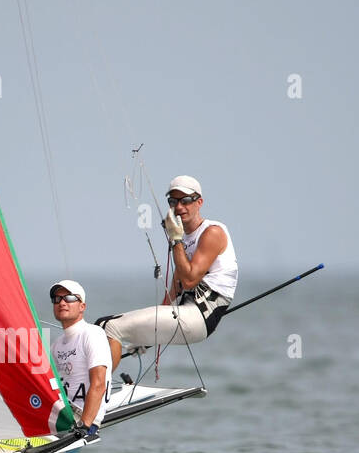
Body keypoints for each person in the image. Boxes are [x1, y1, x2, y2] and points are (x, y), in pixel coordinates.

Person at [100, 175, 238, 369]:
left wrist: (175, 238)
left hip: (200, 316)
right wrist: (148, 337)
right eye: (173, 202)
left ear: (199, 202)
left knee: (110, 327)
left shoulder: (212, 233)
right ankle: (89, 391)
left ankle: (97, 394)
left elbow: (189, 280)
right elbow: (175, 289)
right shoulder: (183, 237)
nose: (179, 207)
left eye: (185, 200)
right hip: (185, 313)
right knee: (102, 327)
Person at [48, 279, 110, 438]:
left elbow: (99, 384)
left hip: (81, 420)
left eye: (69, 298)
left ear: (82, 306)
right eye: (57, 299)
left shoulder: (92, 333)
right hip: (61, 417)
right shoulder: (56, 345)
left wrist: (84, 426)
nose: (62, 303)